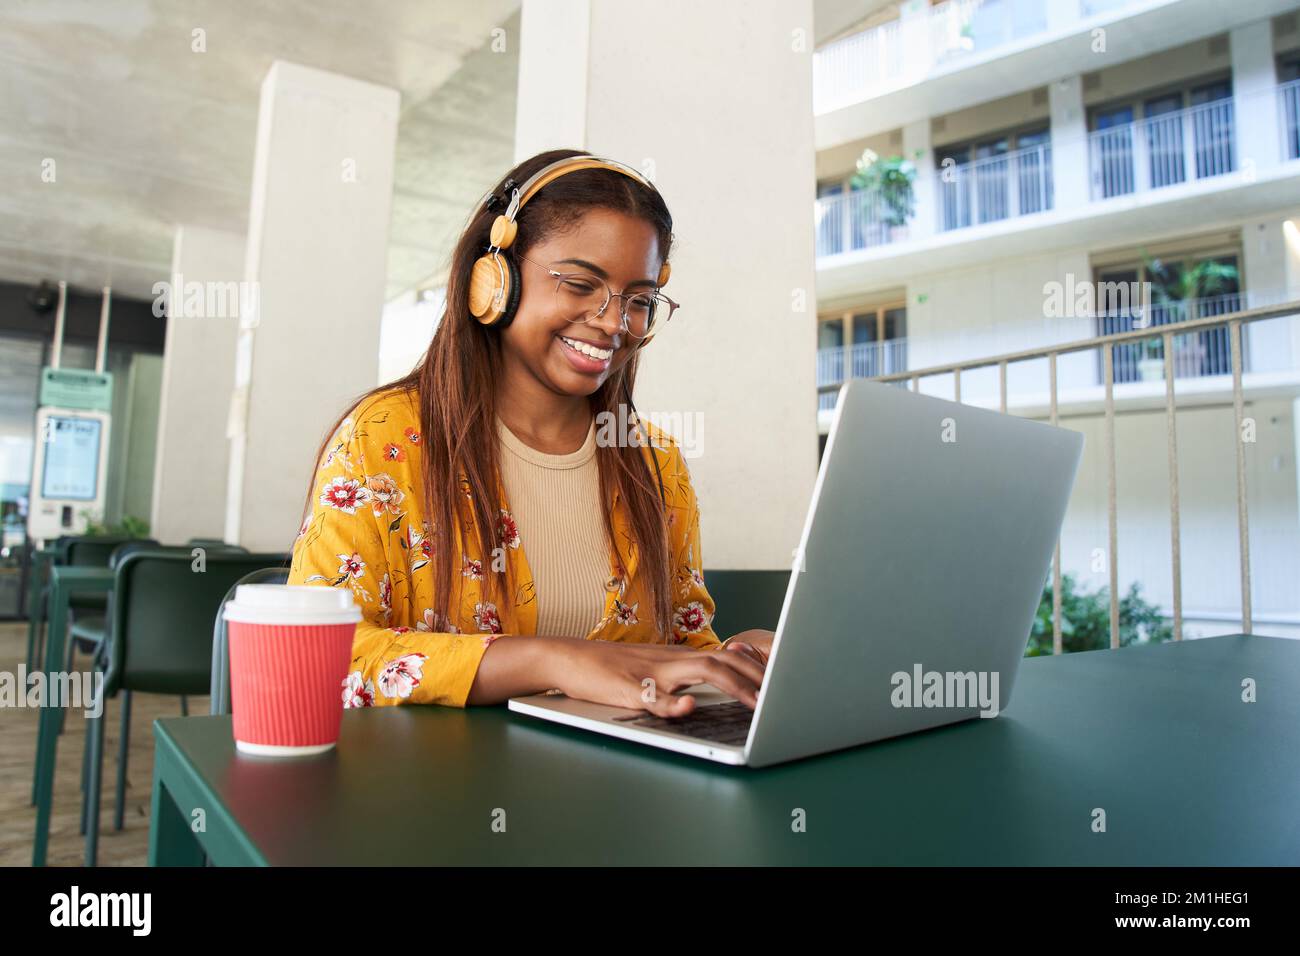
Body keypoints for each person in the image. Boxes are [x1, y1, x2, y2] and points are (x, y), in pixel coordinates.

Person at [288, 148, 773, 717]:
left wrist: (735, 659)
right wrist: (552, 661)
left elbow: (672, 650)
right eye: (579, 283)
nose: (614, 321)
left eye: (639, 300)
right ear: (495, 278)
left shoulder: (654, 462)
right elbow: (317, 653)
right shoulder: (384, 436)